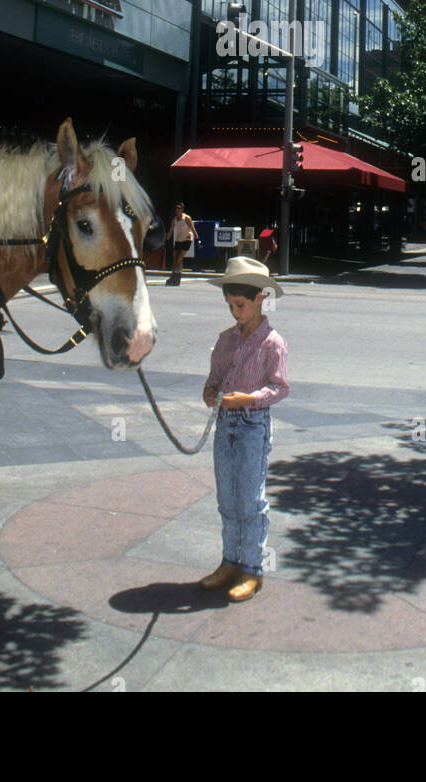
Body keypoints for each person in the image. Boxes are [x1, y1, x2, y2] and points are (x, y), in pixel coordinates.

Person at [199, 256, 289, 603]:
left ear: (259, 300)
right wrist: (210, 392)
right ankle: (230, 561)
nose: (235, 312)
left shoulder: (273, 343)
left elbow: (280, 387)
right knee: (227, 498)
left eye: (240, 305)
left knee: (251, 499)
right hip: (226, 424)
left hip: (252, 425)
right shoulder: (225, 340)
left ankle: (252, 568)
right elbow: (215, 379)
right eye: (230, 305)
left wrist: (249, 399)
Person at [165, 201, 198, 286]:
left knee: (179, 258)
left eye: (179, 208)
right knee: (175, 258)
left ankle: (178, 277)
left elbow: (193, 229)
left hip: (187, 239)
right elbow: (170, 231)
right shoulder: (174, 219)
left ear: (182, 209)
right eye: (176, 208)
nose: (177, 210)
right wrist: (166, 239)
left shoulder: (186, 218)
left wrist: (198, 240)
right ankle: (173, 276)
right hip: (178, 240)